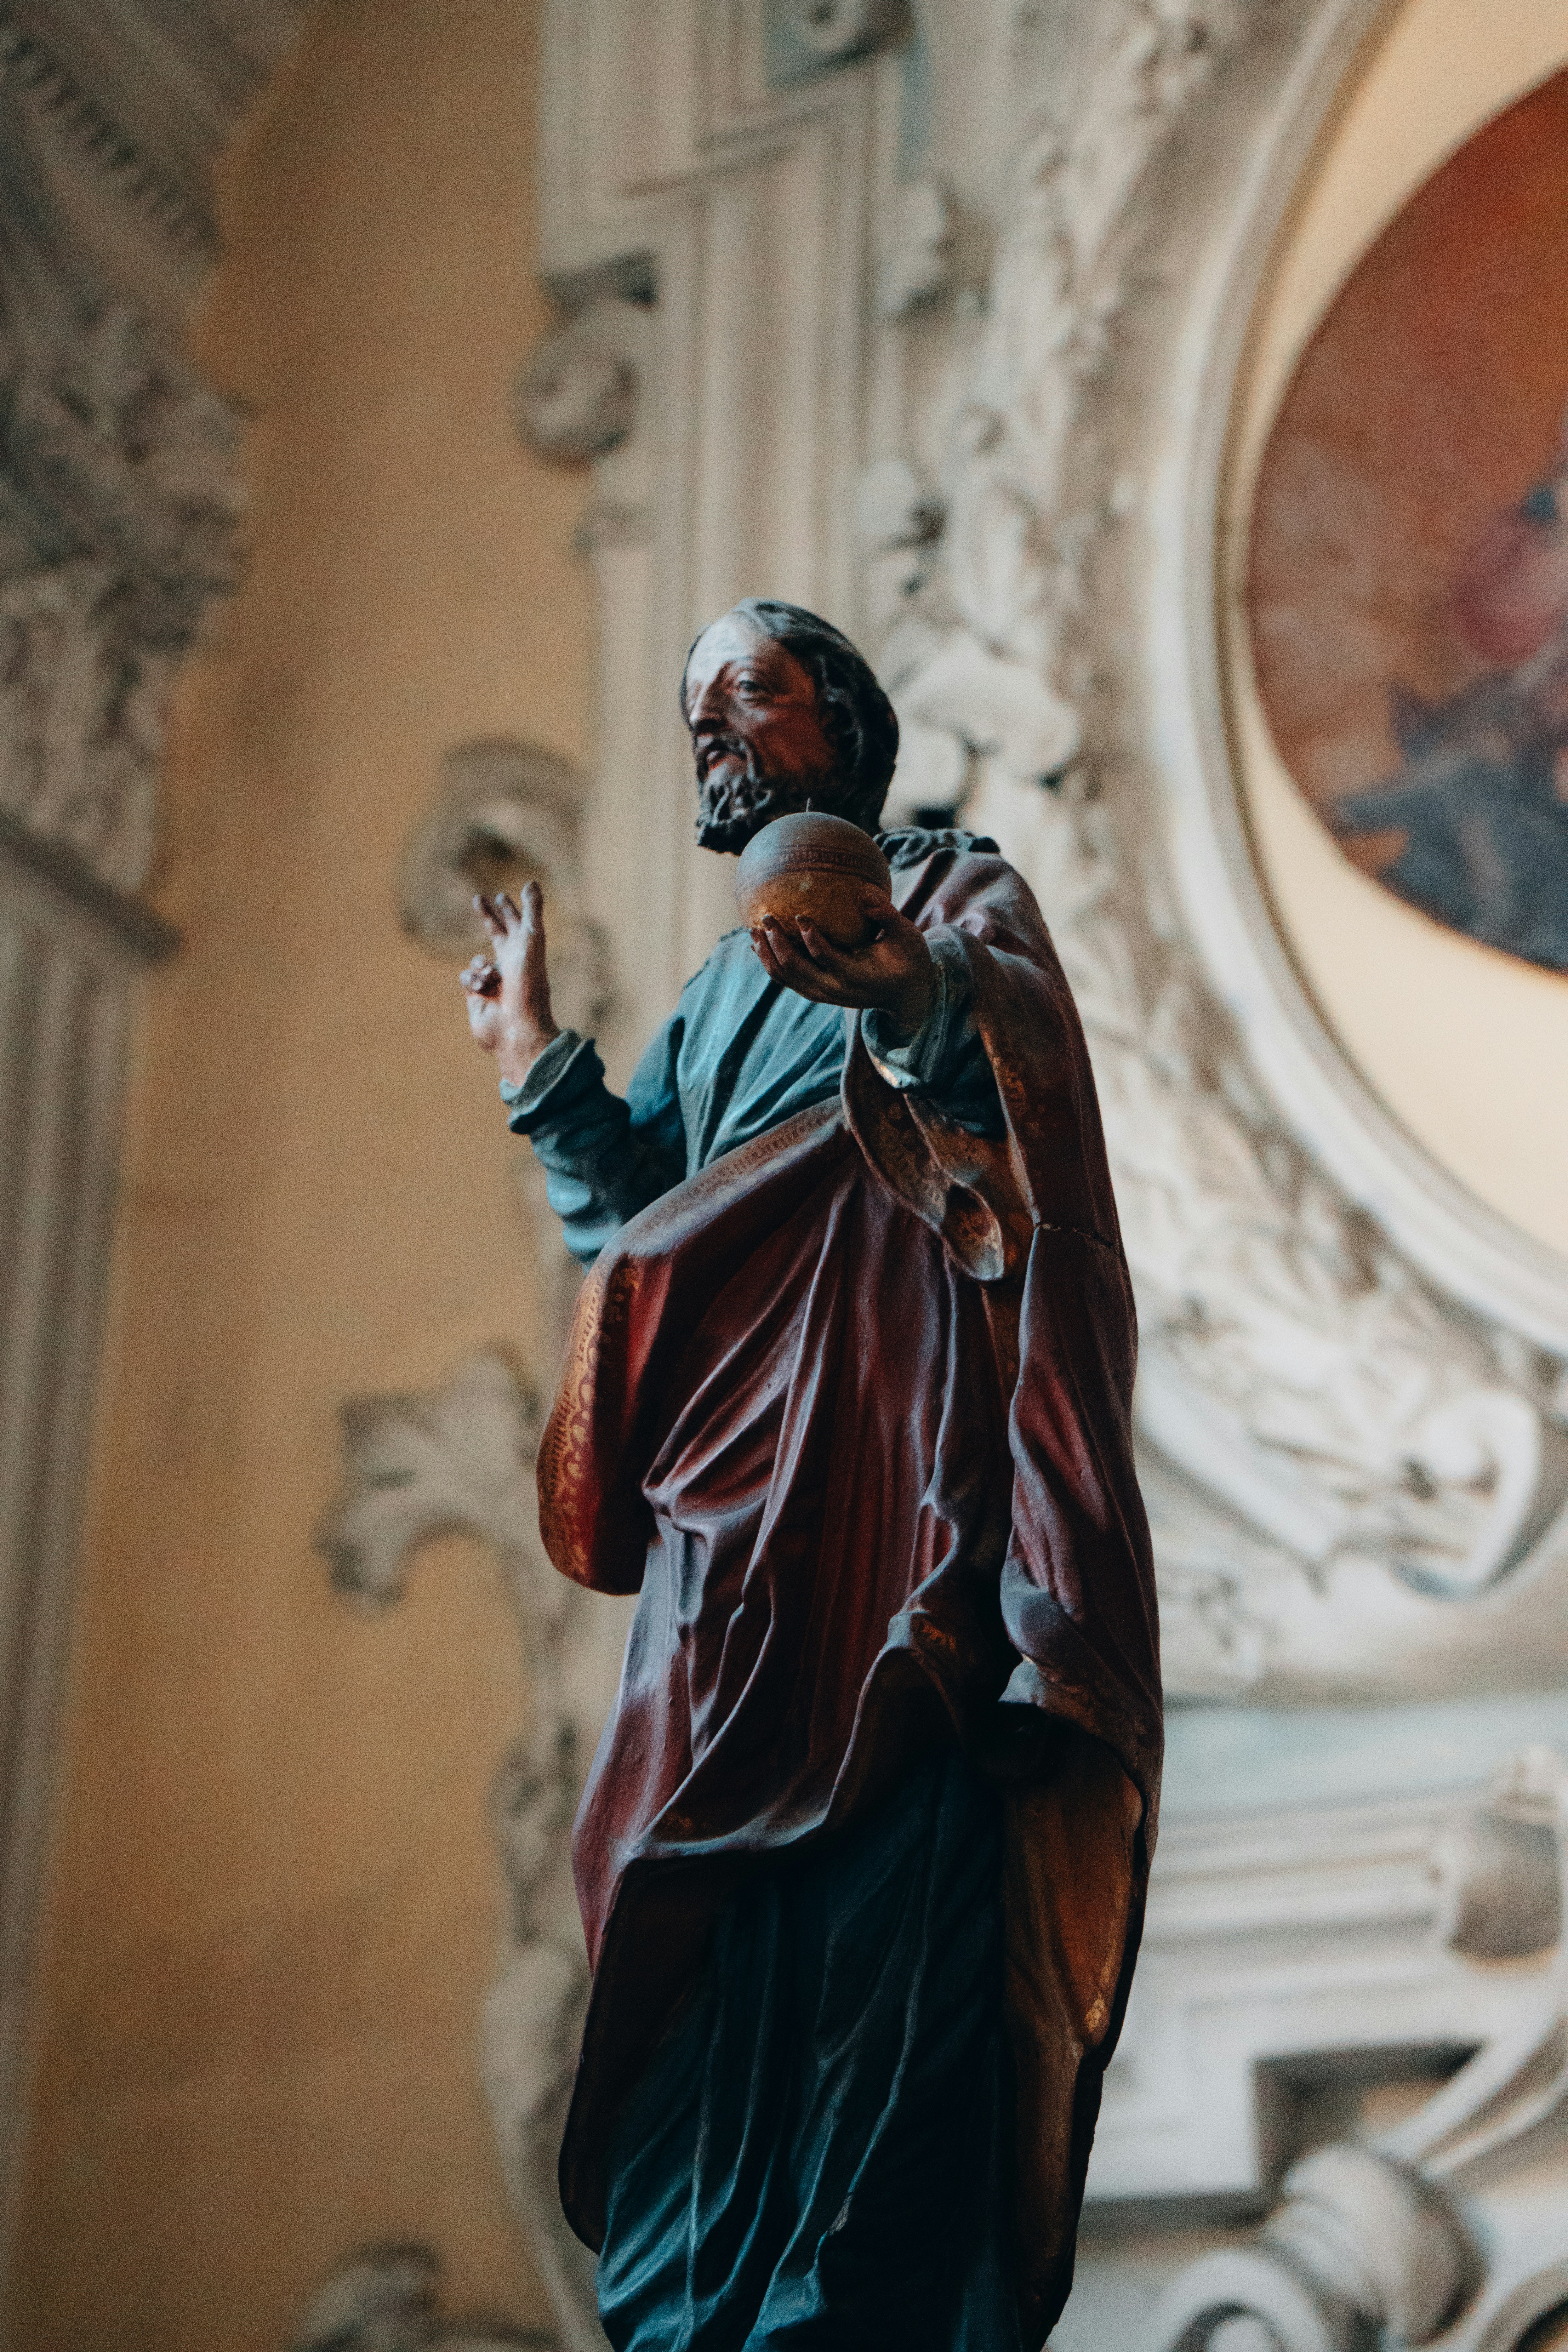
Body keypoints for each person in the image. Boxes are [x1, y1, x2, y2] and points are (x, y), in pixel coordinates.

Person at [461, 600, 1161, 2352]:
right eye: (696, 706)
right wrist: (544, 1072)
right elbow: (650, 1234)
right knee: (697, 1894)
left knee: (877, 1897)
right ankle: (702, 2277)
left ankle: (824, 2292)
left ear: (842, 717)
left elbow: (1025, 1129)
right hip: (726, 1534)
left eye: (750, 694)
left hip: (896, 1493)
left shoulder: (951, 900)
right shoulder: (707, 1005)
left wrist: (915, 1002)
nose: (717, 728)